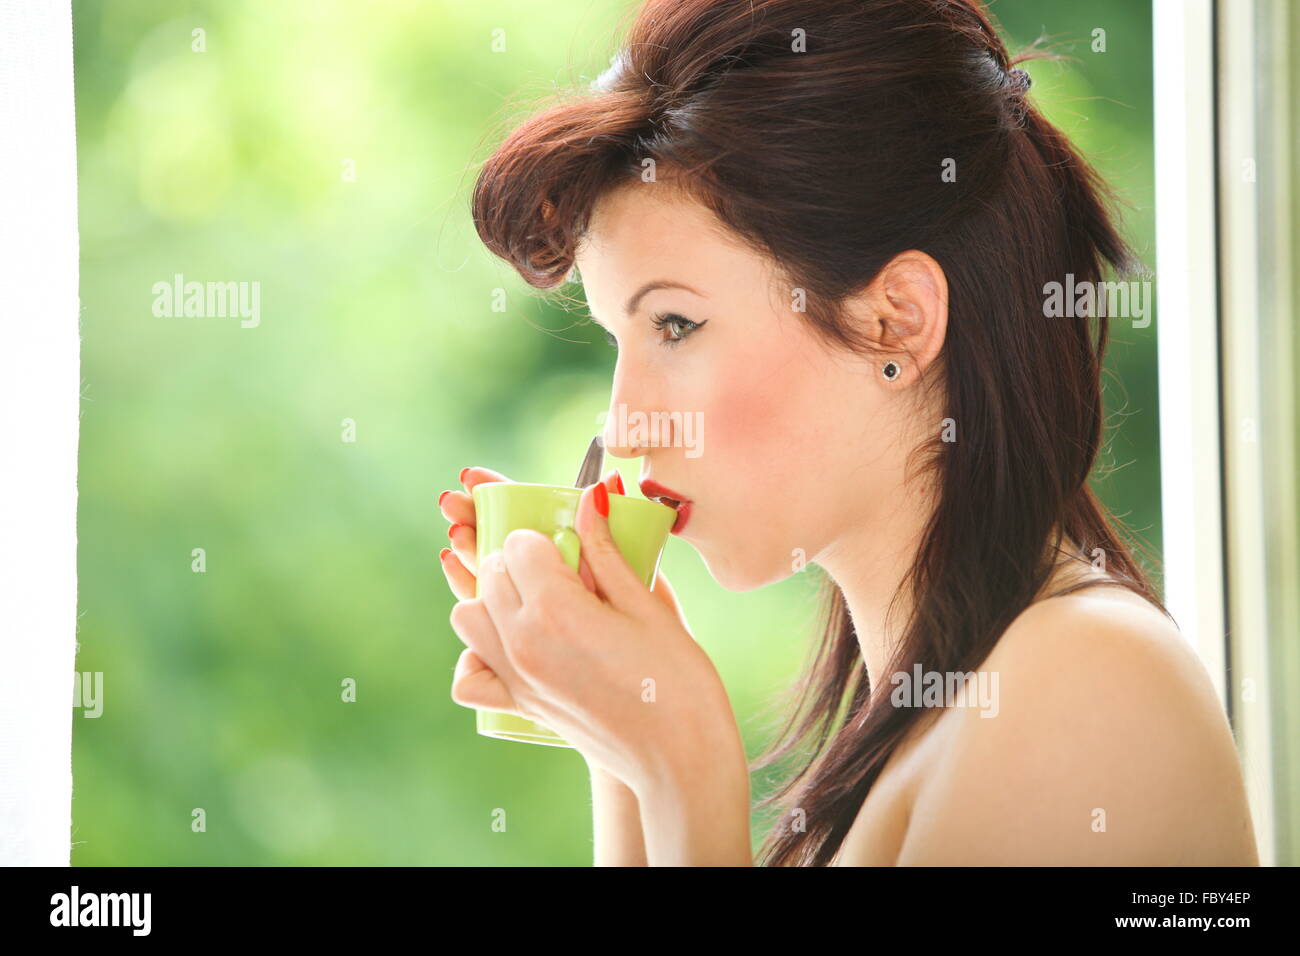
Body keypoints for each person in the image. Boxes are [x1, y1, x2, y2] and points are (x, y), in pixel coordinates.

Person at [438, 0, 1259, 866]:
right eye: (618, 338)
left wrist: (689, 772)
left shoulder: (1086, 684)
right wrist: (625, 752)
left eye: (675, 325)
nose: (626, 421)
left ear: (895, 322)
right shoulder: (932, 715)